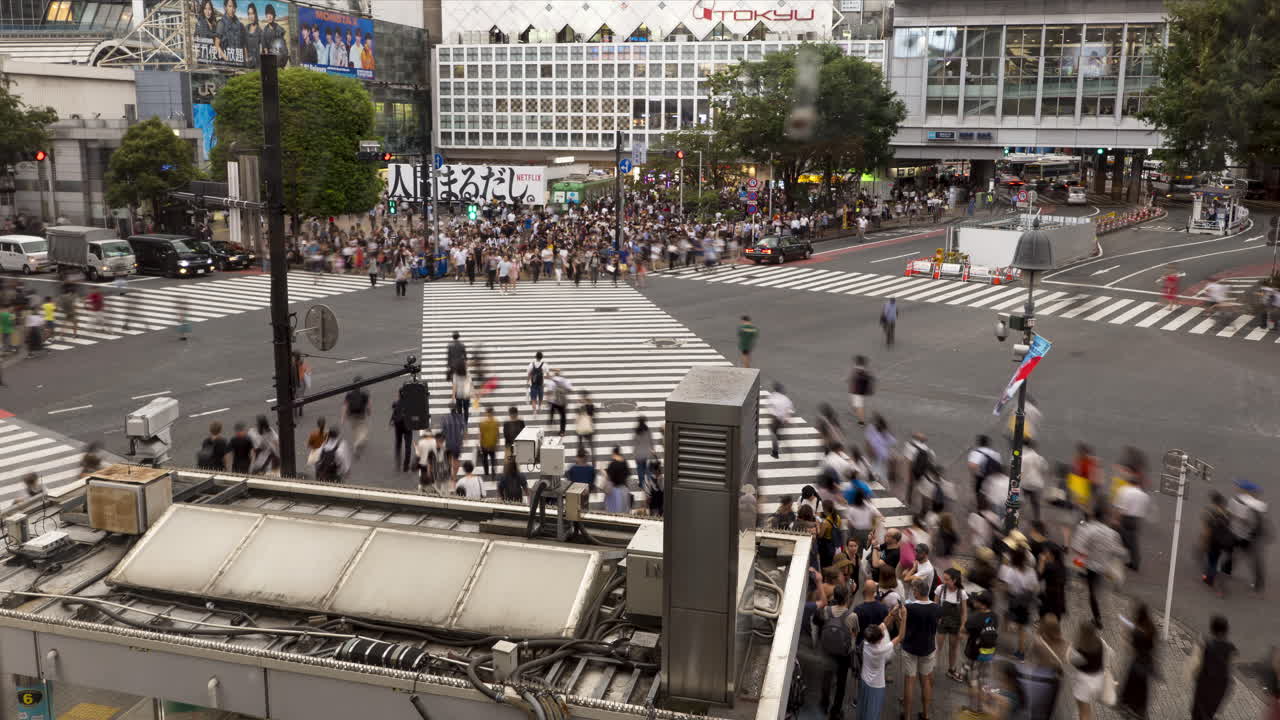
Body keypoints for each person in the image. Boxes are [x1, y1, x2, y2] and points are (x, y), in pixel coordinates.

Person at [897, 578, 942, 720]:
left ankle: (907, 715)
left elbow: (902, 627)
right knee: (925, 682)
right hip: (928, 648)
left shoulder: (909, 608)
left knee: (909, 682)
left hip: (910, 647)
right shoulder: (936, 608)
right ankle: (926, 714)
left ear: (916, 591)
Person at [817, 583, 859, 720]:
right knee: (841, 683)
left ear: (834, 596)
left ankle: (824, 703)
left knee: (826, 678)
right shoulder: (852, 616)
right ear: (847, 598)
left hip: (828, 650)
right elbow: (855, 632)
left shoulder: (826, 610)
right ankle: (835, 712)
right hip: (844, 654)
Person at [1226, 479, 1268, 593]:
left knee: (1232, 554)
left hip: (1236, 534)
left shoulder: (1234, 500)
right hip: (1248, 537)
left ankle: (1226, 573)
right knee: (1253, 559)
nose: (1237, 488)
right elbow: (1261, 513)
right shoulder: (1256, 505)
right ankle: (1258, 583)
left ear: (1244, 490)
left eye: (1239, 487)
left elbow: (1229, 515)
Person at [1191, 616, 1235, 720]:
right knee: (1211, 710)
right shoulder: (1230, 648)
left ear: (1212, 629)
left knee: (1199, 712)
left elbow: (1198, 666)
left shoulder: (1206, 644)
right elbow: (1230, 668)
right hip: (1220, 685)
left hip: (1205, 683)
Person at [1117, 601, 1157, 719]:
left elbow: (1131, 648)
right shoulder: (1151, 628)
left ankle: (1130, 710)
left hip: (1137, 664)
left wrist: (1125, 634)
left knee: (1131, 688)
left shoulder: (1137, 632)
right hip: (1147, 663)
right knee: (1143, 690)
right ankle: (1141, 712)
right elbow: (1152, 646)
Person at [997, 545, 1038, 659]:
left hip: (1014, 600)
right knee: (1022, 627)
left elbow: (1006, 587)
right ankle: (1021, 652)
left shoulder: (1011, 571)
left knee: (1009, 617)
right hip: (1026, 602)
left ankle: (1007, 632)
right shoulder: (1031, 572)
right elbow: (1035, 587)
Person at [962, 591, 999, 710]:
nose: (974, 602)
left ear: (983, 605)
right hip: (988, 654)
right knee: (983, 680)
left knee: (973, 681)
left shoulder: (975, 618)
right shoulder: (995, 616)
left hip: (974, 654)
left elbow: (964, 630)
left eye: (977, 601)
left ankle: (973, 708)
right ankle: (983, 706)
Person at [856, 621, 897, 720]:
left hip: (864, 680)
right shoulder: (881, 650)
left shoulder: (866, 642)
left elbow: (883, 624)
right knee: (873, 711)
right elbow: (900, 636)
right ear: (880, 638)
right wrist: (903, 618)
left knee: (863, 708)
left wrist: (891, 614)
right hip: (876, 686)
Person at [1069, 615, 1107, 720]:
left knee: (1083, 711)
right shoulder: (1100, 643)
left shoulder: (1080, 649)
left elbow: (1074, 662)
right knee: (1088, 708)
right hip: (1097, 679)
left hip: (1084, 682)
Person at [934, 568, 968, 682]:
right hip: (942, 621)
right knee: (937, 647)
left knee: (953, 648)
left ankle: (951, 669)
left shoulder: (961, 593)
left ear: (955, 580)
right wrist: (936, 618)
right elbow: (935, 605)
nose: (945, 581)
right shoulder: (940, 589)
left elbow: (964, 612)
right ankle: (930, 669)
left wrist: (963, 626)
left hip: (955, 623)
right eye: (944, 579)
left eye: (947, 579)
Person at [1113, 471, 1150, 571]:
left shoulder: (1124, 491)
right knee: (1134, 540)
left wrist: (1116, 519)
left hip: (1125, 517)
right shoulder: (1144, 495)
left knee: (1118, 536)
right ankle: (1135, 562)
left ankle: (1115, 555)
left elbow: (1120, 507)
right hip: (1136, 519)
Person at [1201, 492, 1236, 593]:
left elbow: (1207, 531)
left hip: (1213, 541)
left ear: (1213, 502)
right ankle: (1220, 579)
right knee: (1220, 559)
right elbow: (1231, 527)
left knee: (1212, 561)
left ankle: (1209, 579)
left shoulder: (1210, 514)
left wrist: (1204, 542)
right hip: (1225, 542)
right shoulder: (1228, 514)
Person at [968, 435, 1000, 512]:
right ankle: (991, 510)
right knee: (991, 494)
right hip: (993, 478)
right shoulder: (995, 453)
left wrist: (976, 472)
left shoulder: (976, 453)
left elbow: (972, 466)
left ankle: (981, 511)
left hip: (981, 477)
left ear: (979, 443)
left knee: (979, 494)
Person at [342, 378, 371, 457]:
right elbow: (368, 405)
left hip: (351, 415)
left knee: (355, 430)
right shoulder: (365, 393)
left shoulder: (349, 394)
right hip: (361, 415)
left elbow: (345, 406)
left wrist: (343, 417)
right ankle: (358, 443)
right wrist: (369, 411)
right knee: (363, 431)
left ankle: (356, 445)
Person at [768, 383, 793, 459]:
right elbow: (789, 409)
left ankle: (775, 452)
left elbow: (770, 408)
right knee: (777, 433)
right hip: (782, 420)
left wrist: (772, 417)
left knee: (773, 434)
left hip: (776, 419)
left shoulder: (773, 396)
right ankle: (780, 440)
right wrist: (787, 418)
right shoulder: (786, 399)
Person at [847, 355, 873, 426]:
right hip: (859, 391)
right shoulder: (863, 370)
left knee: (859, 406)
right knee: (857, 405)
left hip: (857, 391)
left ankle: (861, 421)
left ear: (857, 362)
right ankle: (858, 413)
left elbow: (854, 378)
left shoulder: (858, 371)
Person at [604, 447, 631, 513]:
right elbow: (628, 475)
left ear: (614, 454)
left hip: (615, 491)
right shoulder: (625, 462)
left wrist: (603, 472)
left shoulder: (612, 464)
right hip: (624, 489)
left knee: (615, 512)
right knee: (624, 511)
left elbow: (609, 478)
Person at [547, 369, 572, 437]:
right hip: (562, 401)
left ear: (555, 374)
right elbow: (570, 390)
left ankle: (551, 420)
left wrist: (548, 399)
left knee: (552, 410)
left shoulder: (551, 381)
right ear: (560, 374)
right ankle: (562, 432)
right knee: (563, 416)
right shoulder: (565, 381)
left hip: (553, 401)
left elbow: (549, 391)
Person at [390, 399, 412, 473]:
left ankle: (398, 463)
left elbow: (394, 410)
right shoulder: (411, 403)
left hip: (398, 426)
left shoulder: (396, 402)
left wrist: (392, 420)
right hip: (408, 427)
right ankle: (406, 466)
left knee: (398, 444)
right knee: (408, 446)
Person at [477, 405, 499, 479]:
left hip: (484, 444)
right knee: (493, 458)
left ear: (486, 413)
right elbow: (497, 434)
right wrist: (497, 443)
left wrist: (480, 444)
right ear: (493, 413)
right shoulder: (496, 422)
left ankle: (486, 472)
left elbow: (481, 434)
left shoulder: (482, 422)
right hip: (492, 444)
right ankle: (493, 470)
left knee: (485, 458)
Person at [633, 417, 654, 492]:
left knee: (640, 469)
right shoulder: (647, 430)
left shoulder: (636, 431)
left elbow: (634, 442)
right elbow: (651, 440)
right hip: (646, 453)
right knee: (646, 468)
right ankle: (649, 482)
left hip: (638, 453)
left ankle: (641, 484)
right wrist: (652, 449)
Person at [574, 391, 596, 464]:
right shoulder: (591, 406)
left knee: (580, 444)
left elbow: (578, 417)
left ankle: (579, 459)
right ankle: (593, 459)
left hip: (581, 429)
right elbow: (592, 417)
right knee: (591, 444)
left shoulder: (581, 407)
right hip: (589, 428)